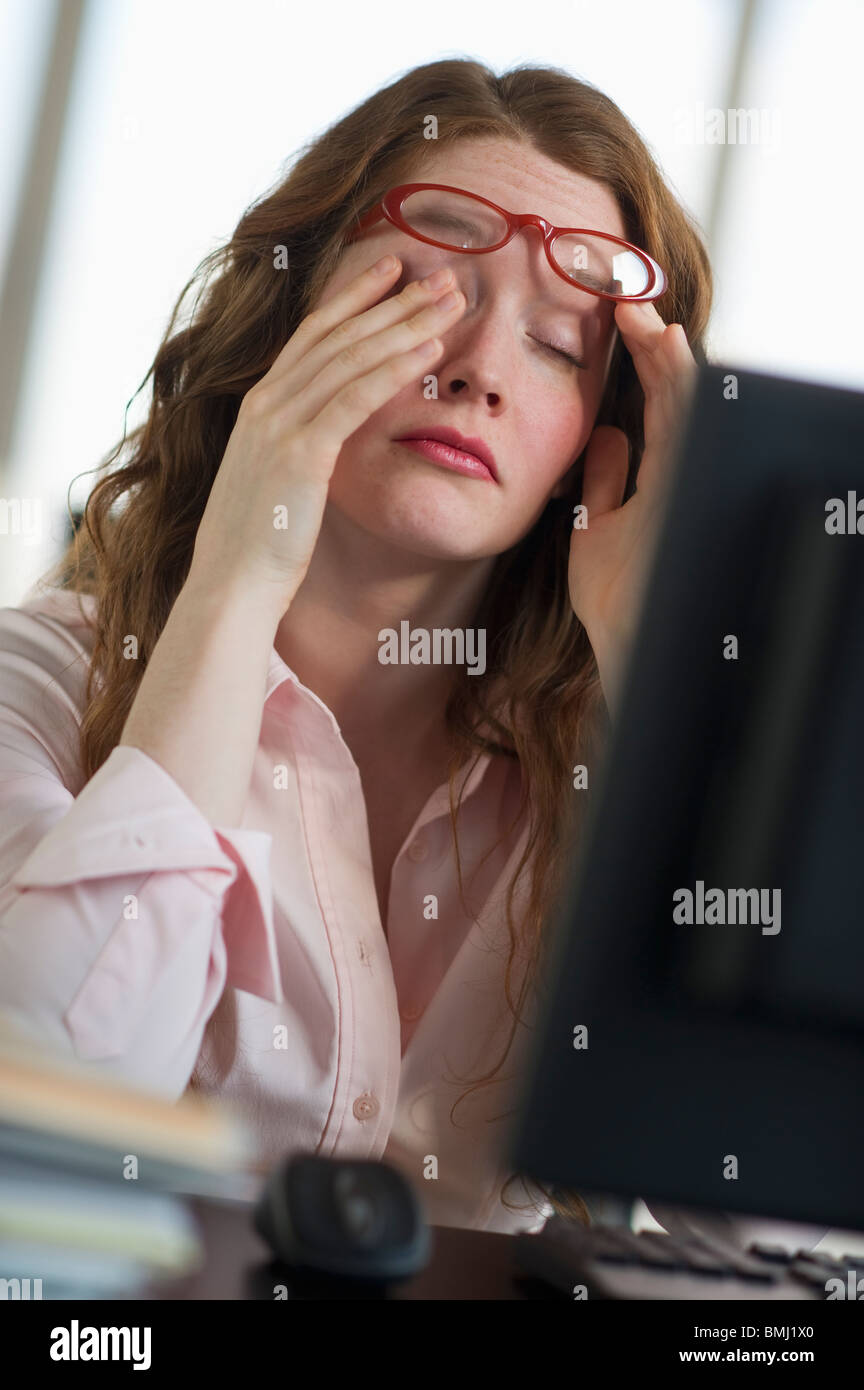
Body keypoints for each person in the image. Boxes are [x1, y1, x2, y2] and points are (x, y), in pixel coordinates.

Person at [0, 57, 824, 1250]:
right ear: (290, 323)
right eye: (422, 302)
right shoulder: (42, 682)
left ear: (607, 444)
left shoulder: (593, 760)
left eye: (554, 342)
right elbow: (44, 1117)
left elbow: (764, 1232)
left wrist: (667, 678)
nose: (479, 367)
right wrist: (237, 576)